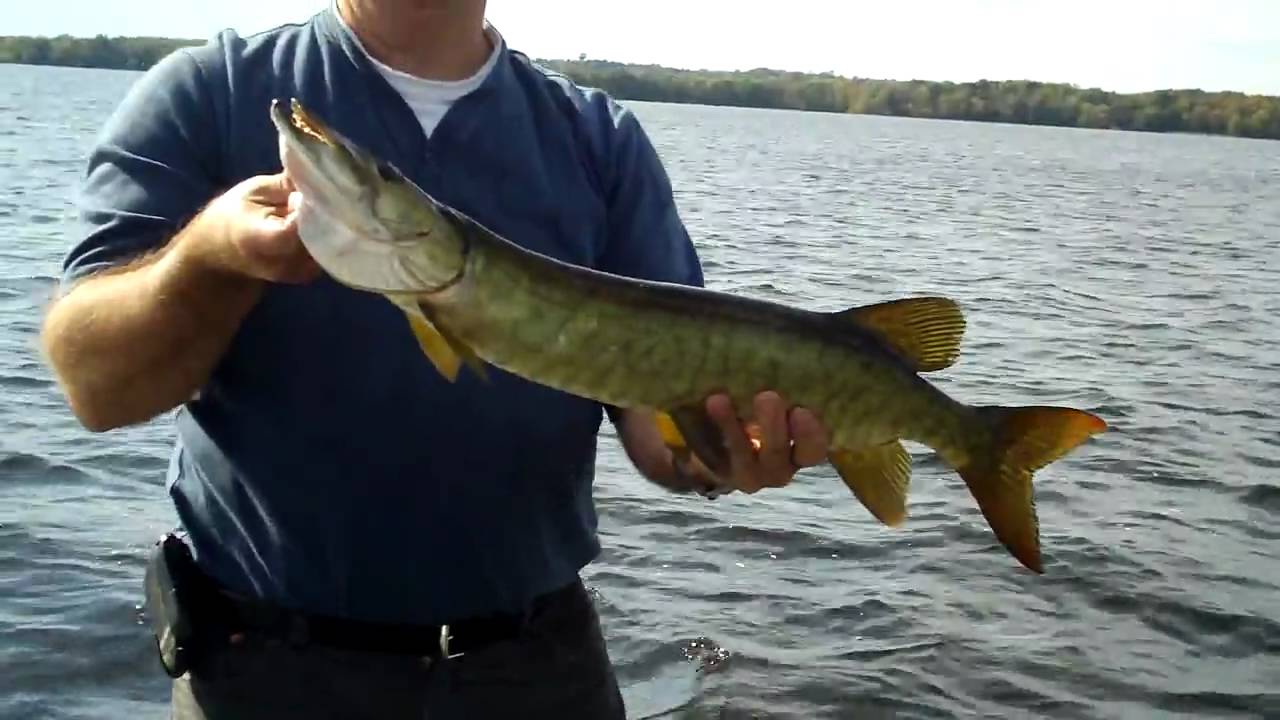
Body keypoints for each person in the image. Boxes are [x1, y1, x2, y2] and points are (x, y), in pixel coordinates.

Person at [39, 1, 830, 718]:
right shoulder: (209, 91)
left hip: (534, 669)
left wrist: (722, 454)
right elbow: (94, 385)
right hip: (267, 673)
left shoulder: (598, 138)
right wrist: (211, 258)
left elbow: (661, 431)